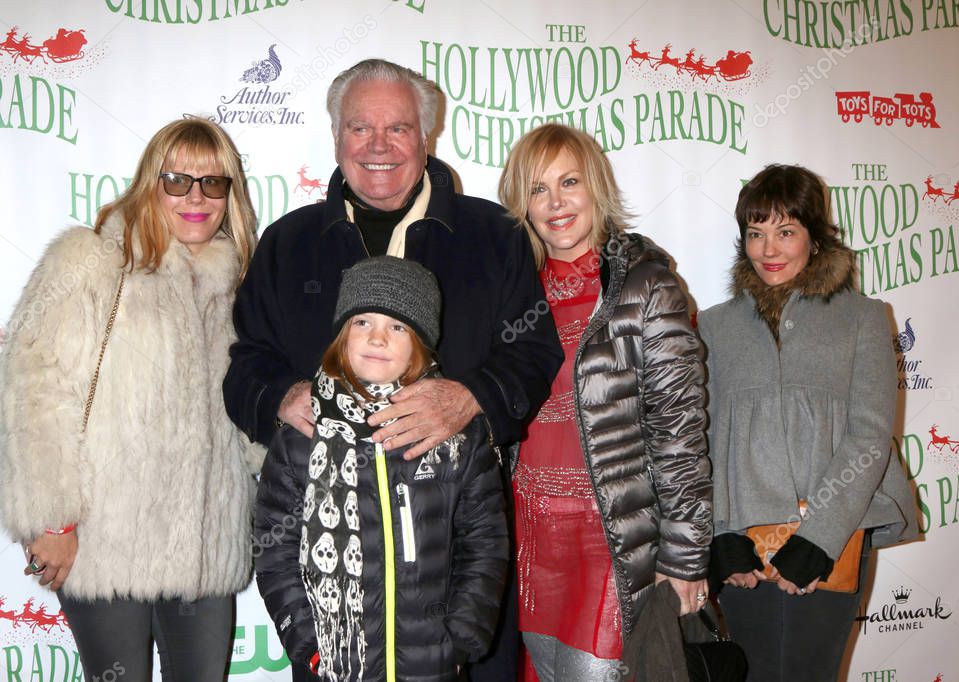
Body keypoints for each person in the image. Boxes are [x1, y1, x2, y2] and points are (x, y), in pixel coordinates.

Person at [224, 58, 561, 681]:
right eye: (360, 128)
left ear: (426, 137)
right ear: (335, 137)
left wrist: (469, 398)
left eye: (398, 128)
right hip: (335, 596)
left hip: (455, 564)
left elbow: (534, 352)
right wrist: (280, 395)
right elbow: (245, 363)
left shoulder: (494, 234)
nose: (378, 146)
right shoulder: (286, 242)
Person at [0, 118, 262, 681]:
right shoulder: (91, 263)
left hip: (204, 547)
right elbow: (34, 389)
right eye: (177, 180)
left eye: (213, 183)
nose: (196, 197)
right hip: (102, 542)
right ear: (150, 183)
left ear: (230, 194)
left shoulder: (238, 286)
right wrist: (51, 520)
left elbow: (247, 416)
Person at [497, 123, 712, 680]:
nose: (556, 202)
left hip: (611, 547)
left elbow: (679, 432)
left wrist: (685, 559)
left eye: (569, 181)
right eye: (537, 189)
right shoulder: (515, 294)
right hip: (529, 543)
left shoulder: (646, 288)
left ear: (596, 186)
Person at [700, 164, 919, 682]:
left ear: (815, 238)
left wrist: (818, 539)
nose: (768, 249)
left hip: (834, 538)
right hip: (744, 553)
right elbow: (701, 440)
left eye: (786, 231)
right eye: (756, 233)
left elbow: (869, 437)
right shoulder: (713, 325)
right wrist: (722, 533)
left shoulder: (864, 317)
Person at [254, 256, 508, 682]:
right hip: (336, 665)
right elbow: (274, 549)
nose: (377, 338)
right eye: (362, 322)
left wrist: (462, 638)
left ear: (420, 344)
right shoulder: (302, 437)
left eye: (397, 327)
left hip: (433, 666)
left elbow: (485, 542)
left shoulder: (455, 437)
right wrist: (308, 643)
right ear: (342, 335)